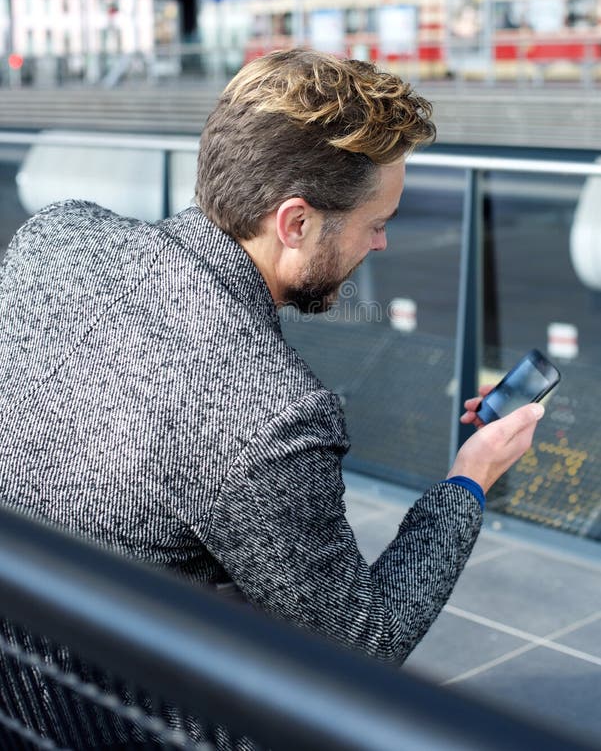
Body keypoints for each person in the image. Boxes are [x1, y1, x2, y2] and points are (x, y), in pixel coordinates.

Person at [0, 49, 543, 669]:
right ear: (296, 223)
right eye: (376, 222)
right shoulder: (268, 414)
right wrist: (471, 477)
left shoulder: (55, 236)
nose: (381, 242)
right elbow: (365, 642)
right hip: (122, 703)